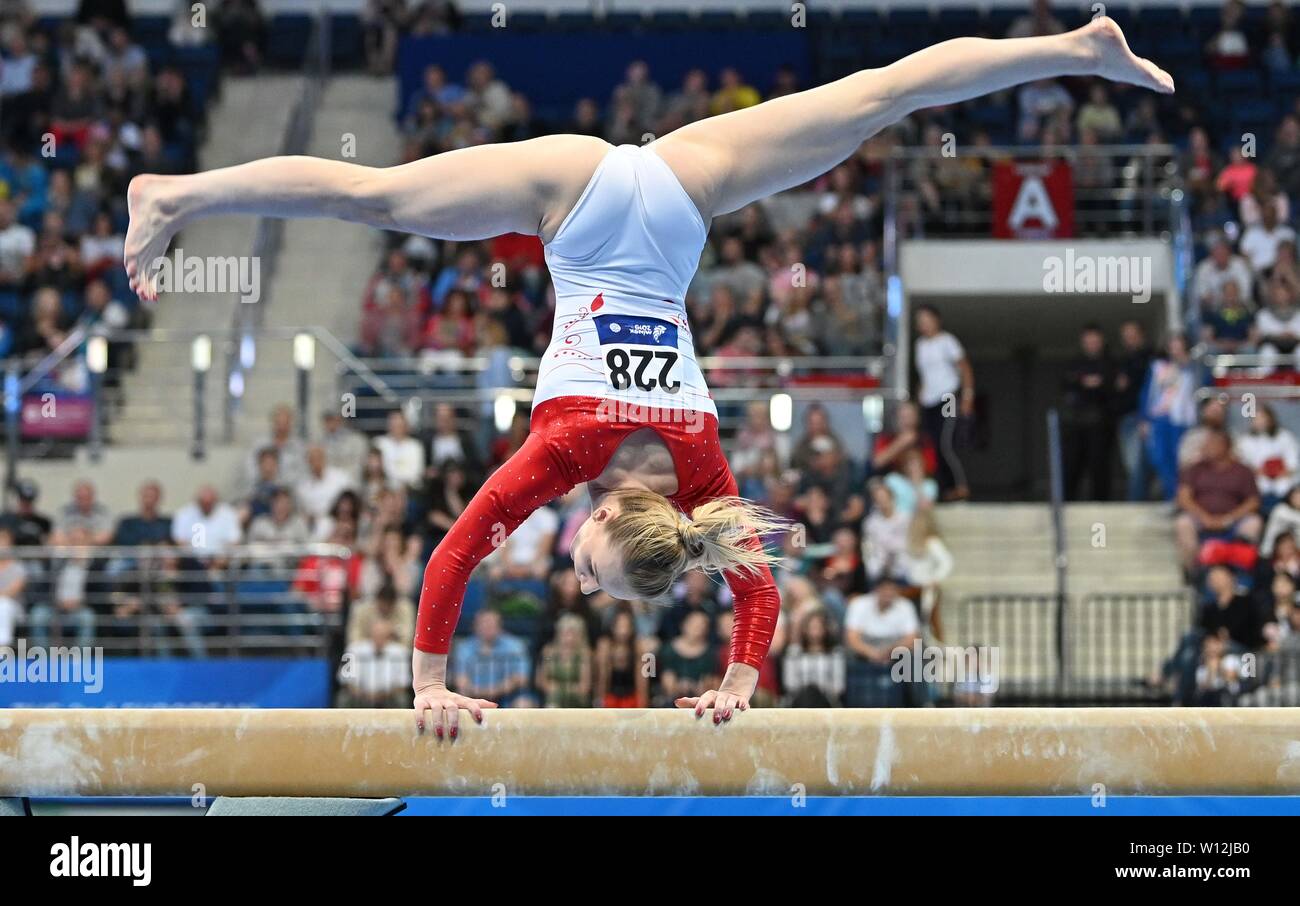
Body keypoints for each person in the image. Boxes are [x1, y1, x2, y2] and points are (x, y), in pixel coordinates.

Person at [123, 17, 1174, 731]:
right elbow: (449, 560)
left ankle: (1076, 47)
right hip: (573, 203)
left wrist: (738, 681)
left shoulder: (702, 467)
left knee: (875, 95)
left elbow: (754, 584)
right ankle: (172, 194)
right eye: (589, 568)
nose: (572, 570)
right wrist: (428, 685)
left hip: (673, 194)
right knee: (378, 199)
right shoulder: (560, 454)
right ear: (602, 524)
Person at [913, 304, 974, 501]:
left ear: (936, 320)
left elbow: (964, 368)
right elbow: (924, 376)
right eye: (920, 321)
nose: (923, 324)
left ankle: (961, 485)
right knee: (933, 445)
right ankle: (946, 488)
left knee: (946, 442)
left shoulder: (948, 341)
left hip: (948, 397)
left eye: (926, 319)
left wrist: (967, 396)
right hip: (929, 402)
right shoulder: (920, 345)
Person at [1060, 324, 1116, 501]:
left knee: (1099, 465)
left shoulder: (1110, 363)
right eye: (1088, 341)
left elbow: (1114, 386)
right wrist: (1084, 382)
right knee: (1071, 464)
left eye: (1095, 341)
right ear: (1083, 342)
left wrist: (1095, 383)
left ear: (1101, 341)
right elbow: (1067, 382)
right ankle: (1067, 502)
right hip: (1075, 424)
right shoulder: (1074, 363)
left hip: (1100, 424)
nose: (1092, 344)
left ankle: (1101, 503)